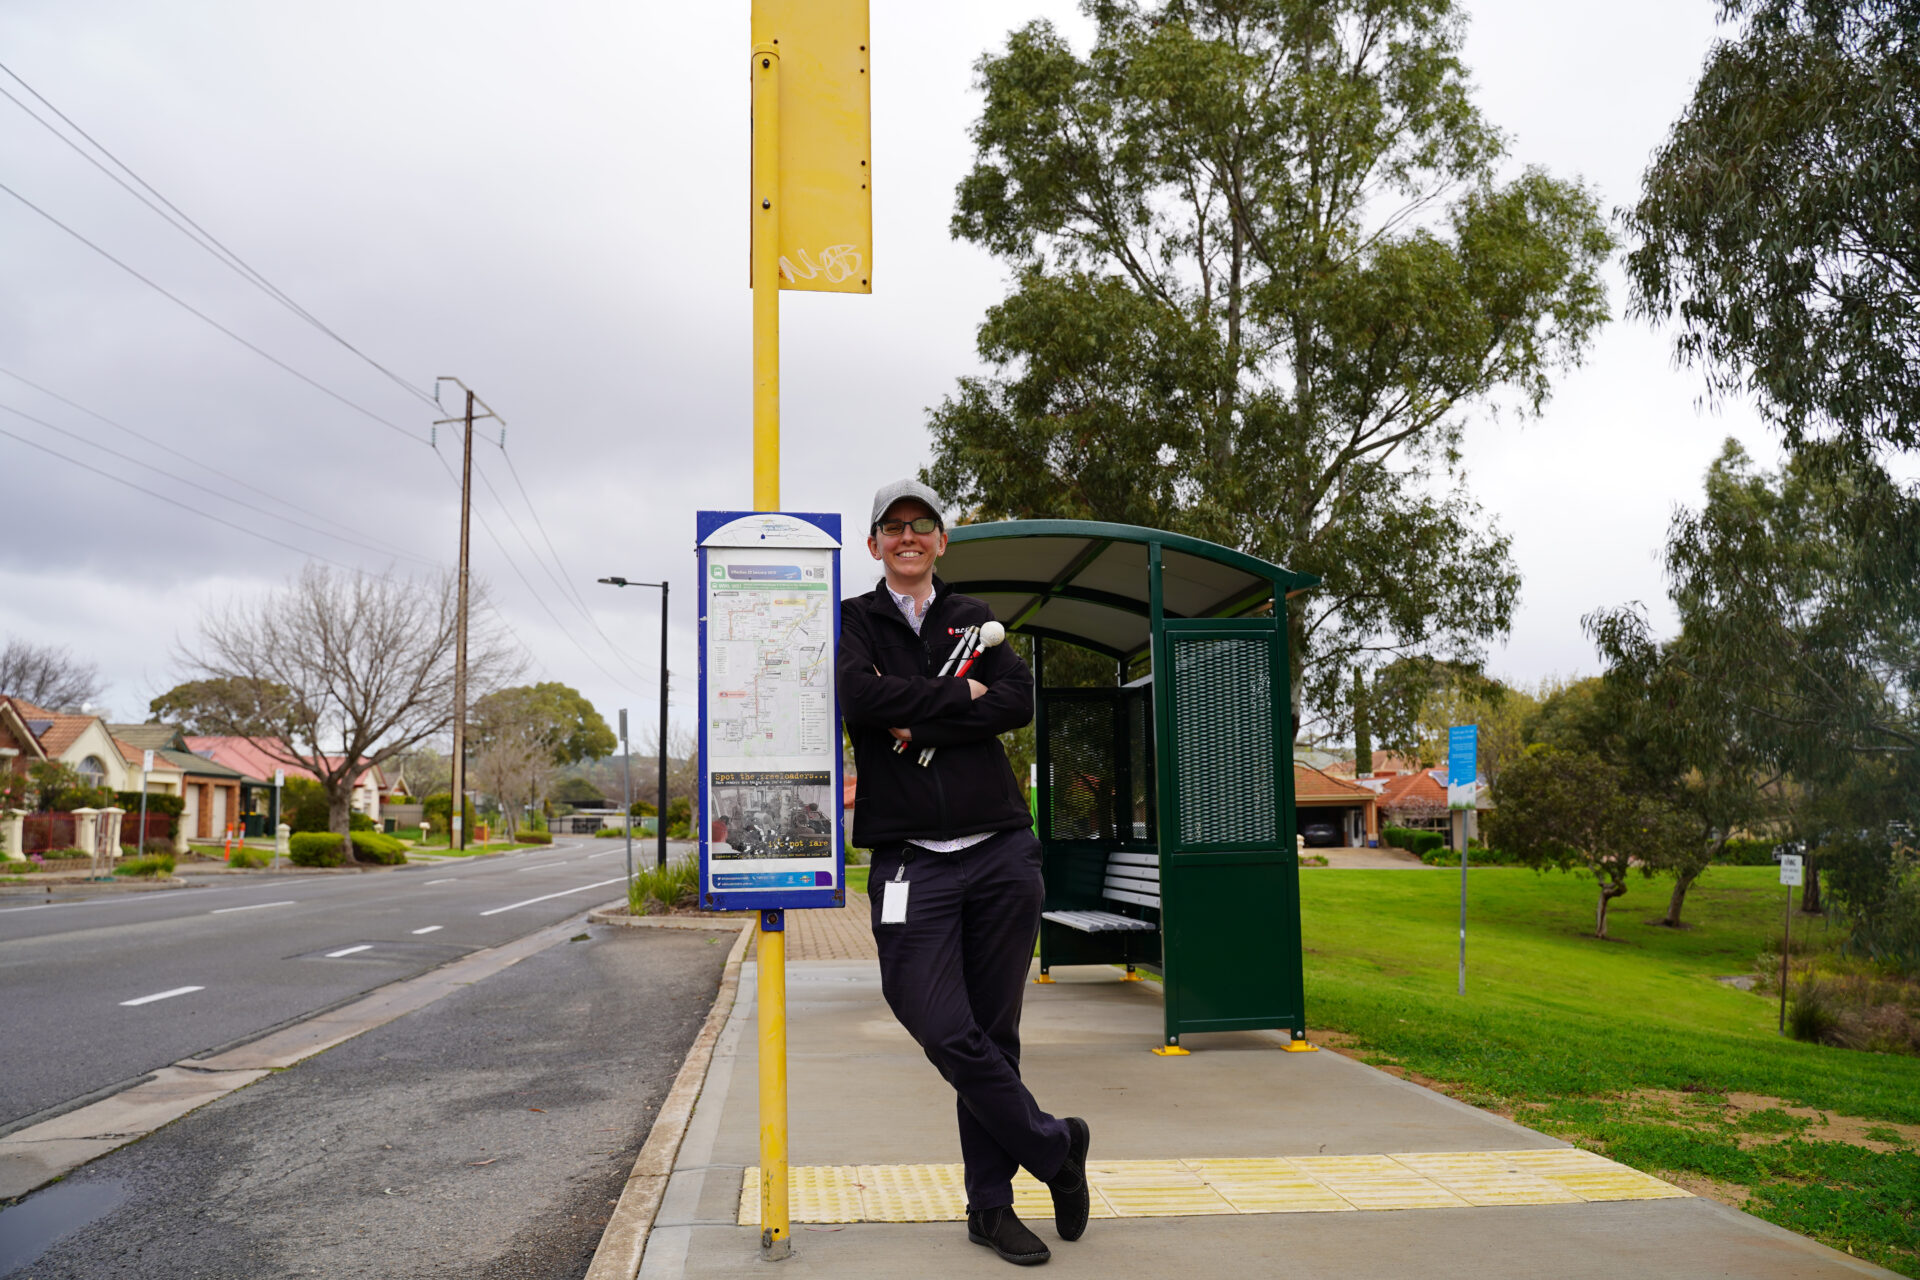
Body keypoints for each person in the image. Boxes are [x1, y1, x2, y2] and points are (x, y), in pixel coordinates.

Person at [838, 479, 1089, 1267]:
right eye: (893, 527)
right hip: (911, 859)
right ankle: (1055, 1147)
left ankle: (990, 1209)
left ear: (942, 541)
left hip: (1000, 852)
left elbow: (1017, 699)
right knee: (935, 1019)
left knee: (993, 1036)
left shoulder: (973, 618)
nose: (908, 536)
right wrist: (955, 691)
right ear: (874, 543)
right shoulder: (852, 621)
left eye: (923, 525)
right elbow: (854, 694)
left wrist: (917, 706)